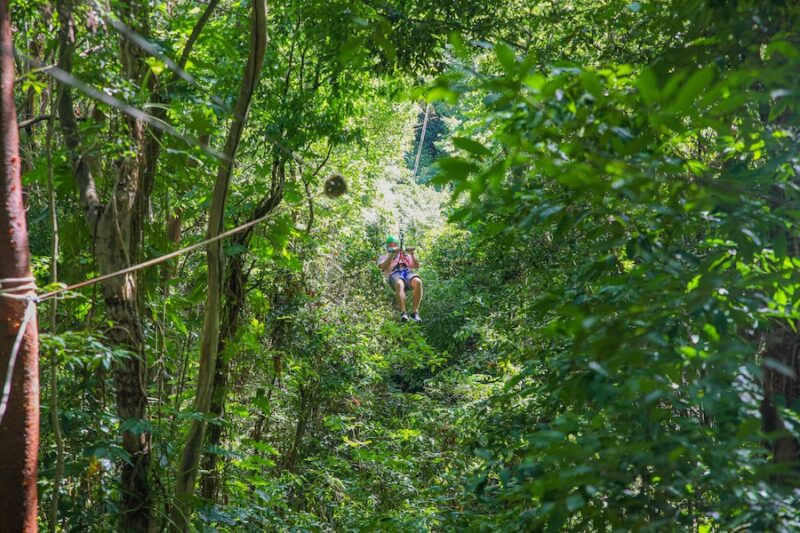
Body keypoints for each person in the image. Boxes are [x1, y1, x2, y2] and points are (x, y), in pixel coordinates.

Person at [378, 235, 423, 322]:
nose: (392, 247)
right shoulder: (383, 257)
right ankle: (403, 313)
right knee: (399, 283)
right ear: (387, 247)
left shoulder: (404, 255)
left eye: (394, 245)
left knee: (418, 281)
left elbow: (417, 266)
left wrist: (412, 254)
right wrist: (391, 254)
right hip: (394, 274)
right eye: (390, 245)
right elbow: (383, 267)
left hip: (407, 273)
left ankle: (415, 313)